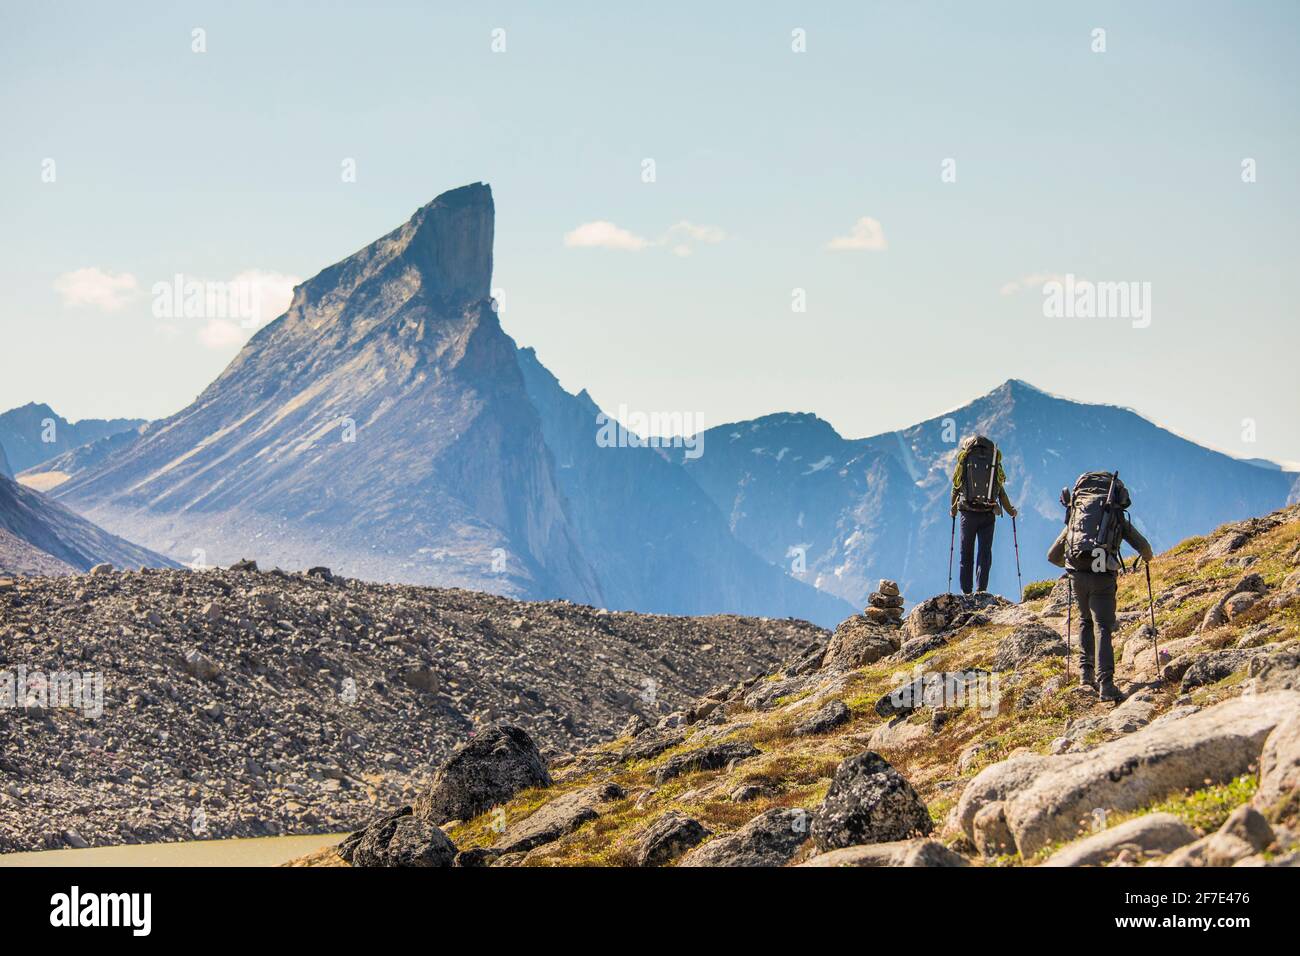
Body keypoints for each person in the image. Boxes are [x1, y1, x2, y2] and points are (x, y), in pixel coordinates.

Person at [1048, 471, 1154, 702]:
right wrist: (1147, 559)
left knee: (1085, 621)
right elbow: (1144, 548)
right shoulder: (1115, 516)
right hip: (1103, 577)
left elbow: (1052, 556)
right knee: (1102, 627)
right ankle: (1106, 684)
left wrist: (1072, 566)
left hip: (1077, 576)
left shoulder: (1076, 519)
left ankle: (1085, 676)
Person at [949, 435, 1017, 594]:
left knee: (966, 552)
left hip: (968, 514)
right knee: (985, 552)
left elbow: (956, 487)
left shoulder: (964, 461)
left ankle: (966, 591)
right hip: (988, 513)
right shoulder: (993, 462)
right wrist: (1011, 511)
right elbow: (1000, 491)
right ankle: (981, 589)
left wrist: (953, 509)